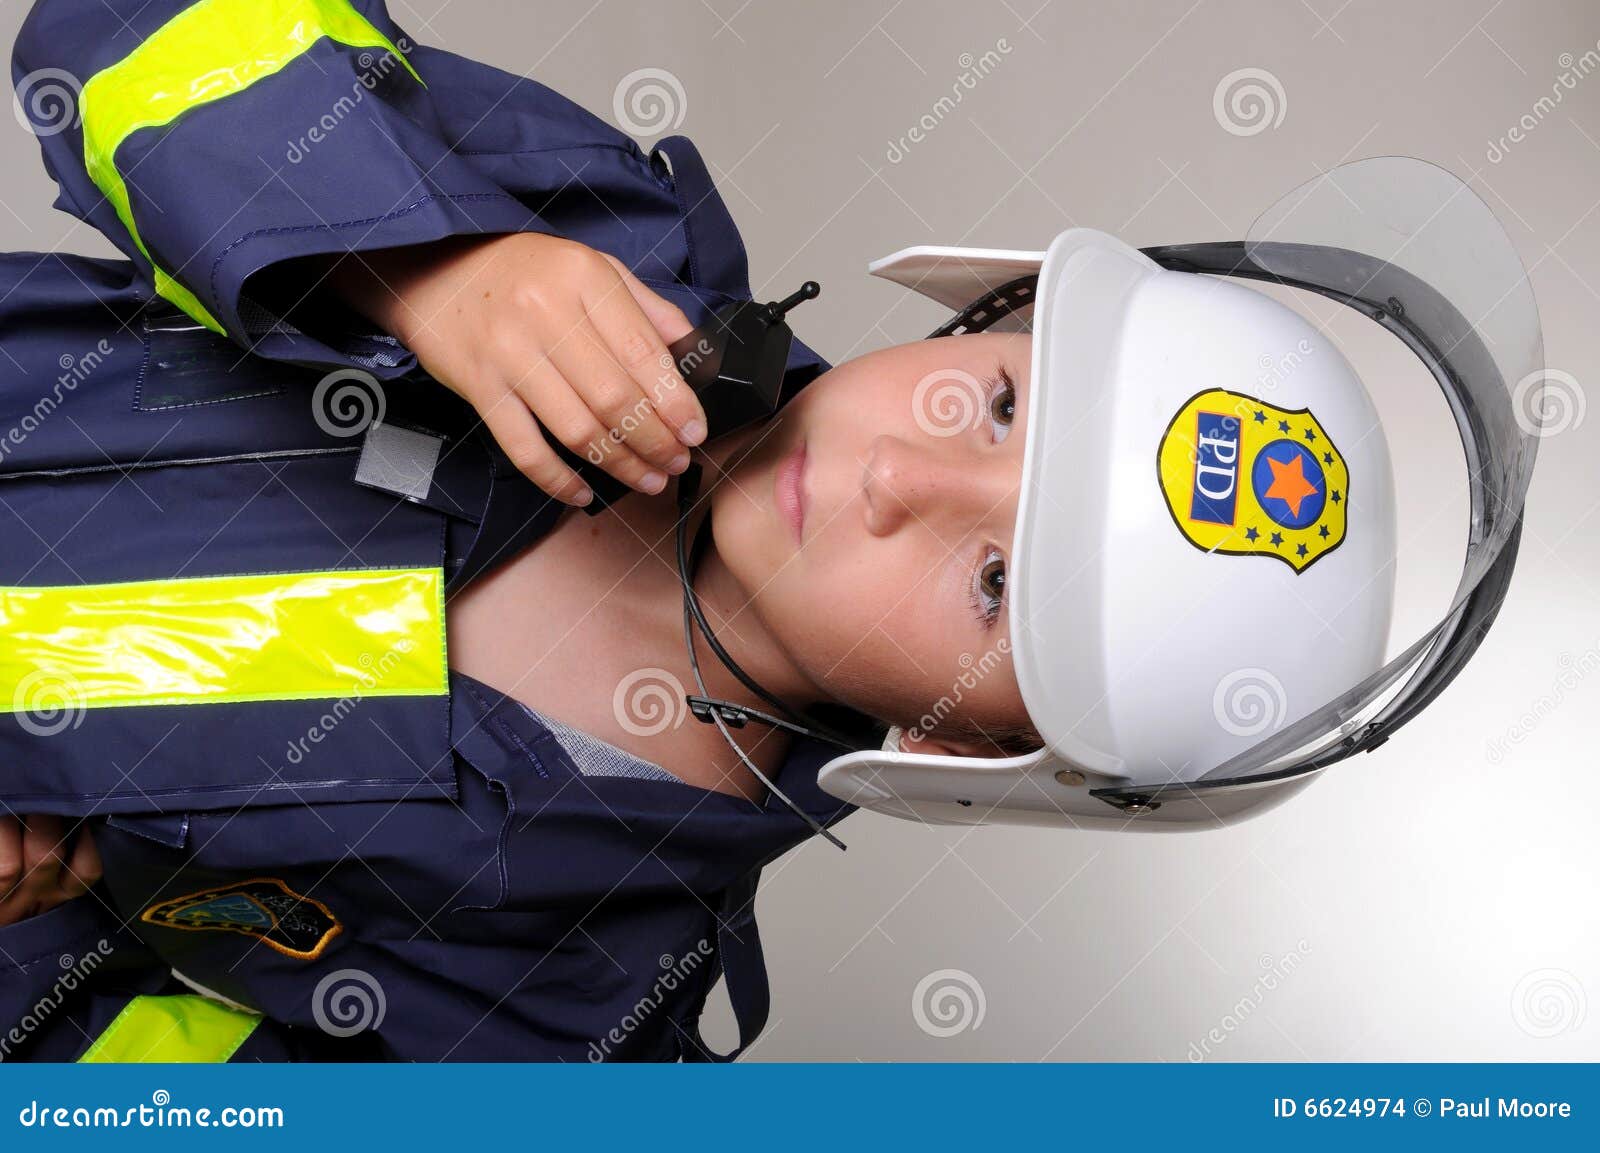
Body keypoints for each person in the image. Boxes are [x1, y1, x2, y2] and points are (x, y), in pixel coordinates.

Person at [1, 0, 1535, 1062]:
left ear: (965, 753)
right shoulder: (604, 237)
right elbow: (126, 40)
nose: (901, 481)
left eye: (999, 583)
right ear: (990, 306)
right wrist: (422, 262)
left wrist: (59, 894)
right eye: (998, 407)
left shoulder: (587, 988)